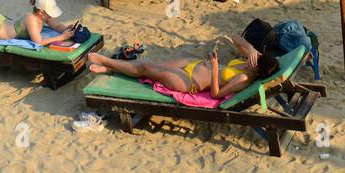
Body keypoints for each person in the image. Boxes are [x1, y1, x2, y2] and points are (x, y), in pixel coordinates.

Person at [87, 34, 279, 98]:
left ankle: (106, 61)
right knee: (152, 65)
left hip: (189, 82)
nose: (249, 60)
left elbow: (216, 94)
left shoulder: (244, 78)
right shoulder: (251, 62)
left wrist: (213, 67)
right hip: (192, 64)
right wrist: (252, 49)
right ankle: (112, 69)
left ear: (256, 69)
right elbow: (235, 36)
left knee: (145, 68)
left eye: (253, 61)